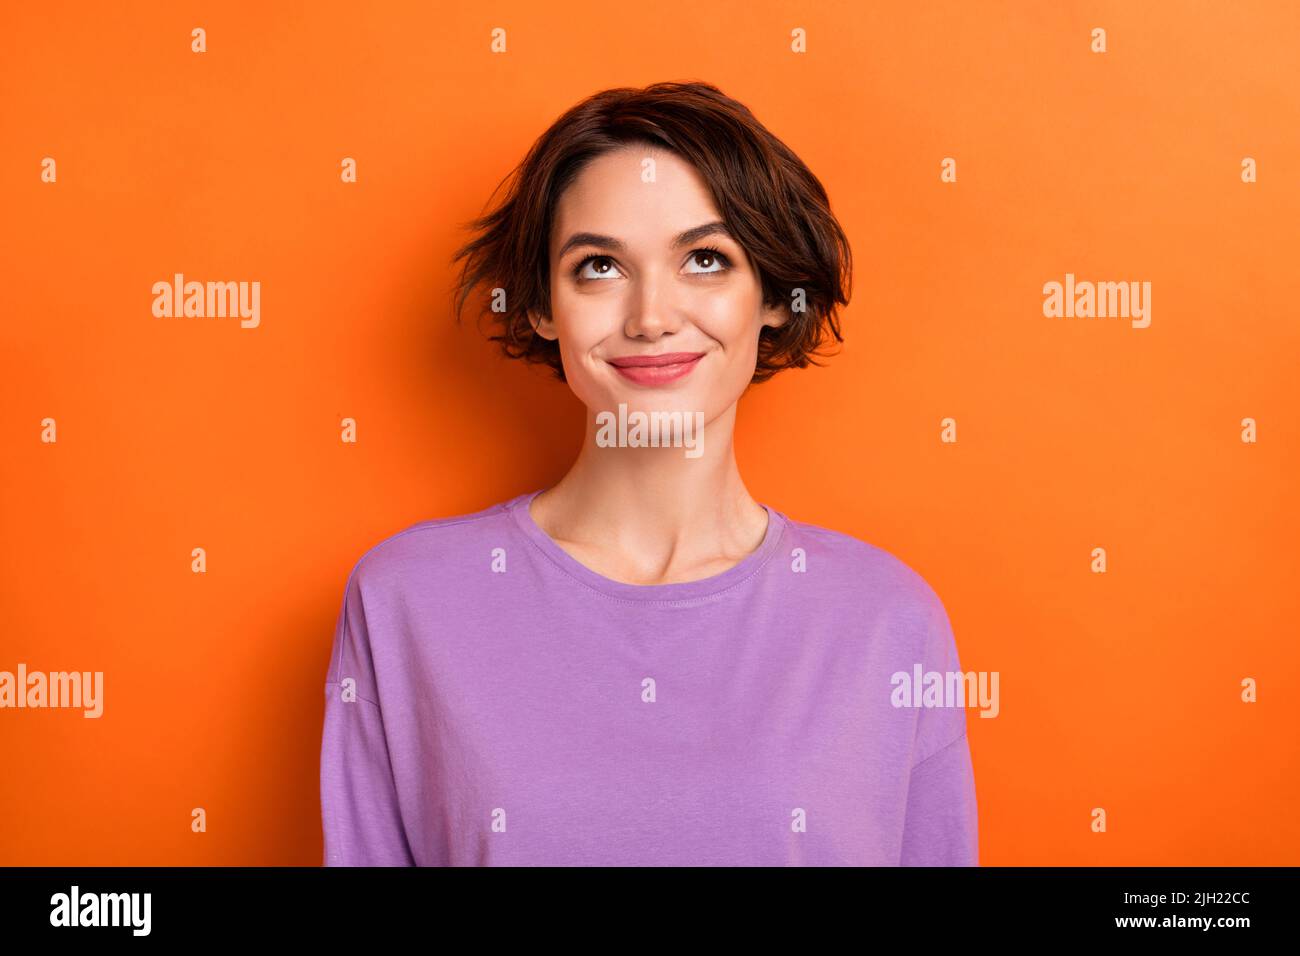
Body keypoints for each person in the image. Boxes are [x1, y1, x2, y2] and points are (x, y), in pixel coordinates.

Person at [319, 80, 978, 866]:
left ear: (770, 294)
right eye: (599, 267)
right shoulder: (405, 601)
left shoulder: (888, 621)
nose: (652, 316)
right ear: (540, 305)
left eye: (705, 259)